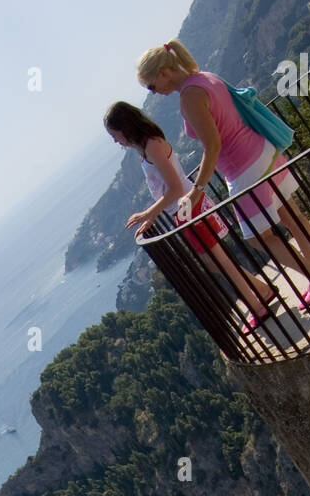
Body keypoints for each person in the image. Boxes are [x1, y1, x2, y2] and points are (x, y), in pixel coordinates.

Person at [136, 39, 310, 311]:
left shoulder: (190, 97)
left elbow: (213, 145)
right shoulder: (205, 77)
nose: (153, 92)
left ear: (163, 73)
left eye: (150, 85)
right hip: (263, 151)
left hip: (244, 170)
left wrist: (197, 190)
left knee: (257, 237)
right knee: (292, 217)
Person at [104, 101, 278, 330]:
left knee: (219, 261)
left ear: (125, 127)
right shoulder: (148, 146)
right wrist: (154, 214)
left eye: (115, 135)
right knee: (215, 262)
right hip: (185, 209)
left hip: (188, 208)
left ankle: (258, 305)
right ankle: (261, 290)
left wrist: (149, 213)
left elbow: (174, 188)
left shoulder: (152, 147)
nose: (116, 141)